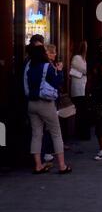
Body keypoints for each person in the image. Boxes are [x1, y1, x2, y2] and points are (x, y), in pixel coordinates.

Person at [24, 45, 71, 174]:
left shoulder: (30, 67)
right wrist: (60, 70)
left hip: (31, 103)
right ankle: (62, 165)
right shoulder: (46, 66)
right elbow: (57, 82)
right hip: (45, 103)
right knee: (56, 133)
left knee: (36, 135)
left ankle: (38, 165)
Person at [70, 41, 90, 141]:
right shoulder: (77, 58)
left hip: (82, 88)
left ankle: (82, 133)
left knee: (83, 111)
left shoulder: (83, 58)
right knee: (81, 111)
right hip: (78, 89)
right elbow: (86, 70)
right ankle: (81, 134)